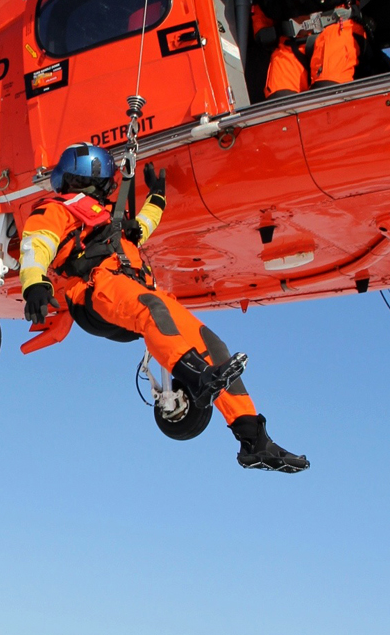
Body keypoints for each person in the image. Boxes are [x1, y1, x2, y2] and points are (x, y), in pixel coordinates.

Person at [18, 142, 308, 473]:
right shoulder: (56, 209)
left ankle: (253, 438)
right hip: (94, 291)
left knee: (211, 343)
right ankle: (197, 378)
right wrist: (35, 285)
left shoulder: (108, 220)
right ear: (92, 176)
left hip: (132, 288)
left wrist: (156, 199)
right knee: (152, 308)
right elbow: (36, 245)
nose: (113, 184)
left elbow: (140, 229)